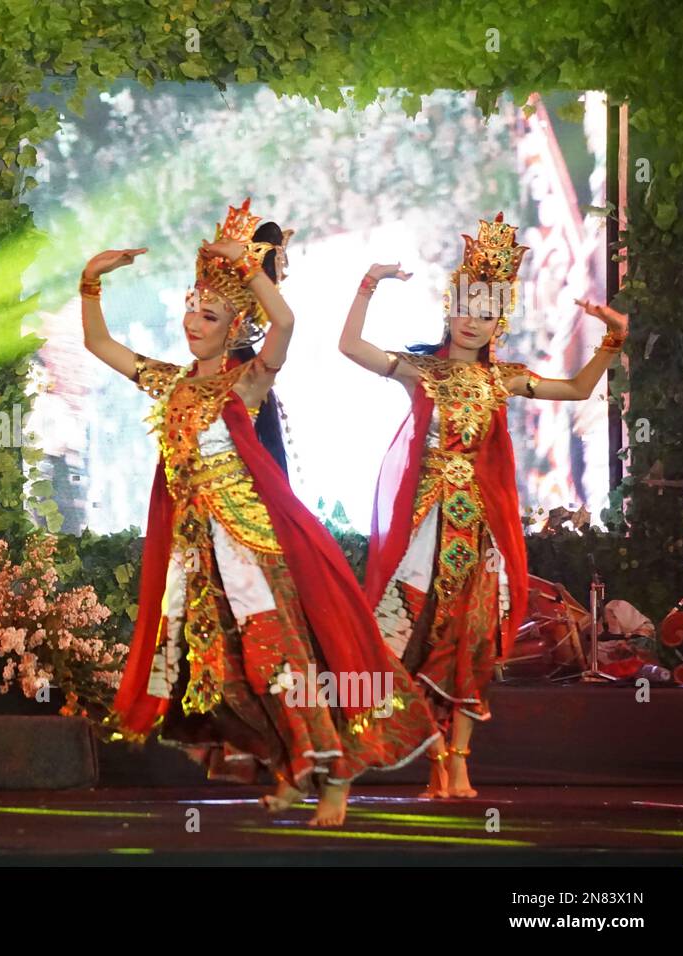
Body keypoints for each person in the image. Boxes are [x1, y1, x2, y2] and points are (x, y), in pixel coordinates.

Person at [84, 200, 439, 826]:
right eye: (192, 307)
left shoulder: (247, 383)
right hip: (196, 553)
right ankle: (289, 767)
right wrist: (91, 279)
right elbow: (97, 342)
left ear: (234, 322)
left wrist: (248, 267)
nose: (194, 321)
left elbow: (287, 321)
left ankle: (334, 772)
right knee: (222, 667)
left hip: (249, 543)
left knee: (281, 661)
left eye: (210, 313)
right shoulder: (171, 382)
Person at [340, 212, 628, 798]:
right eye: (467, 306)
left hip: (479, 536)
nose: (474, 320)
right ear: (450, 309)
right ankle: (416, 753)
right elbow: (349, 347)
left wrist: (613, 340)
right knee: (407, 639)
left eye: (488, 310)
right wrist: (367, 284)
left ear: (500, 318)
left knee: (470, 645)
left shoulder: (503, 380)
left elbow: (574, 389)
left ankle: (459, 760)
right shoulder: (422, 371)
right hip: (424, 534)